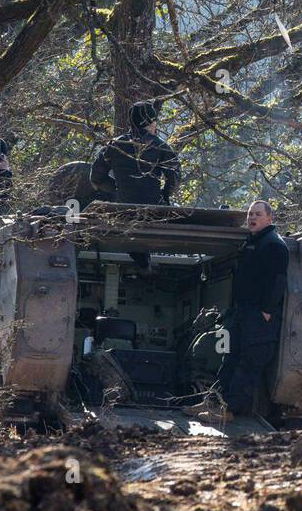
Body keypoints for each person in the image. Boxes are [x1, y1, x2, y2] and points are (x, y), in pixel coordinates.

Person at [186, 200, 290, 427]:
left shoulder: (274, 245)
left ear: (269, 218)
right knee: (229, 359)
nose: (252, 217)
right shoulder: (253, 242)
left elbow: (278, 281)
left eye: (258, 214)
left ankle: (230, 409)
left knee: (248, 362)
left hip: (258, 316)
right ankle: (214, 402)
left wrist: (266, 311)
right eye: (250, 213)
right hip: (243, 312)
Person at [90, 100, 181, 206]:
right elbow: (174, 178)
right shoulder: (161, 147)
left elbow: (96, 178)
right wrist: (164, 195)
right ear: (151, 122)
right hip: (155, 210)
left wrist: (117, 190)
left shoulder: (114, 145)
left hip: (123, 208)